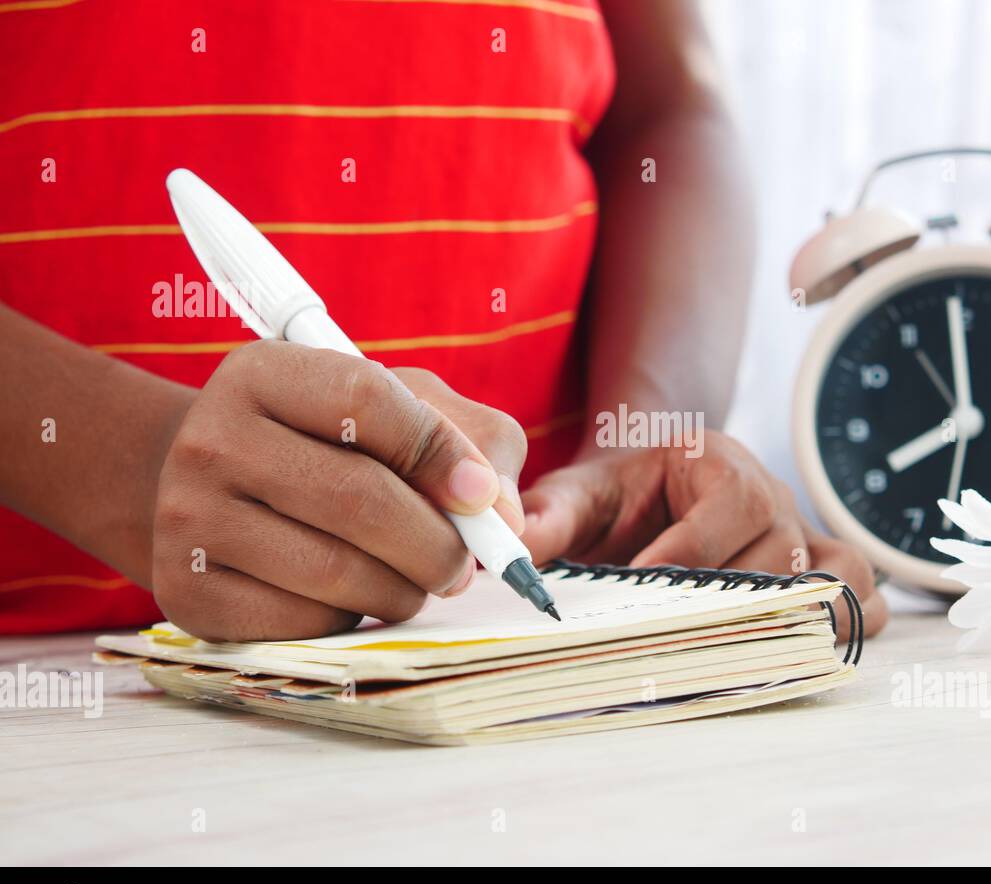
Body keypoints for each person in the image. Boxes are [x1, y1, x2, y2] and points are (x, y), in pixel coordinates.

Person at [0, 0, 885, 640]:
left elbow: (669, 110)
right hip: (50, 669)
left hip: (525, 646)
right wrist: (137, 461)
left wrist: (637, 440)